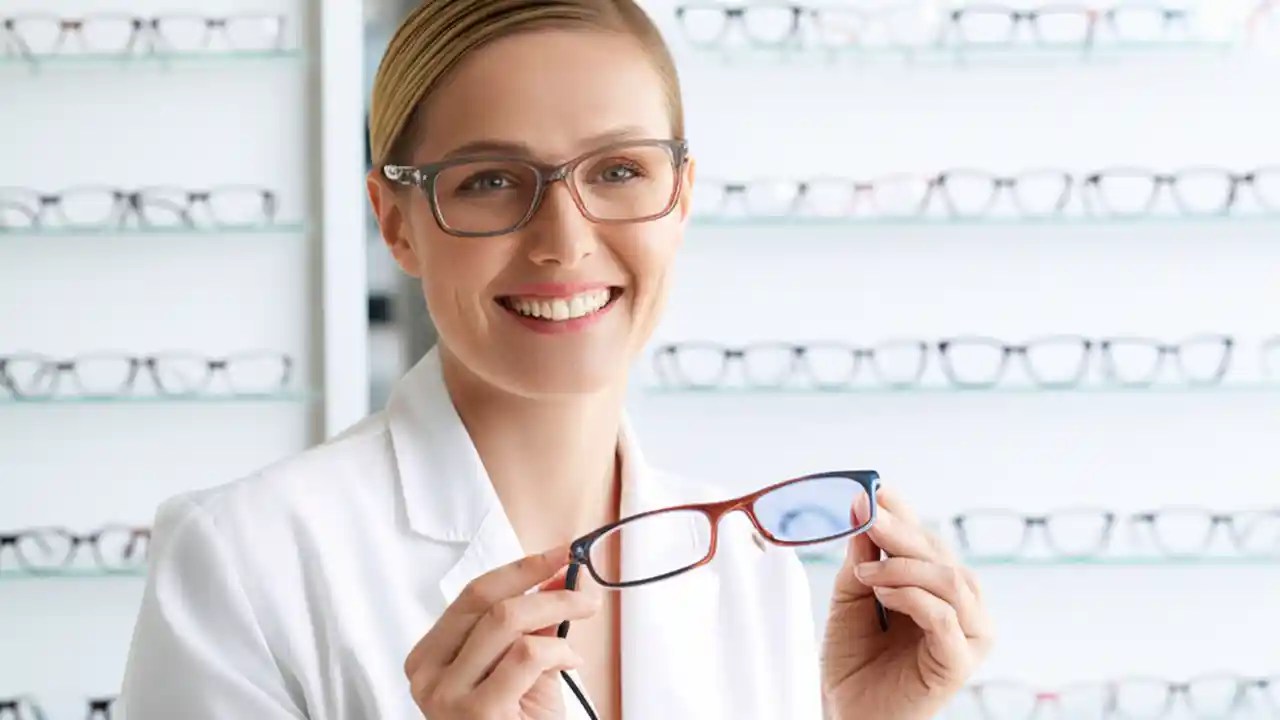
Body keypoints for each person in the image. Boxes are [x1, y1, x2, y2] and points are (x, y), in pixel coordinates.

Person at [118, 1, 994, 718]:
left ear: (681, 196)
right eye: (491, 181)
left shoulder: (751, 569)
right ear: (395, 222)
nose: (564, 242)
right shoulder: (244, 560)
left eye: (618, 171)